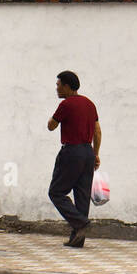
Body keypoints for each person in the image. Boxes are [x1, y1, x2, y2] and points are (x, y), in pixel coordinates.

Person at [46, 70, 101, 248]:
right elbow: (97, 131)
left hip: (72, 152)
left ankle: (80, 222)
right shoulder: (90, 104)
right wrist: (96, 153)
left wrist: (53, 119)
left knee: (56, 192)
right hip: (87, 152)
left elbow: (51, 126)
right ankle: (77, 238)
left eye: (58, 84)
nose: (57, 88)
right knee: (82, 195)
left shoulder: (66, 105)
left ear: (67, 86)